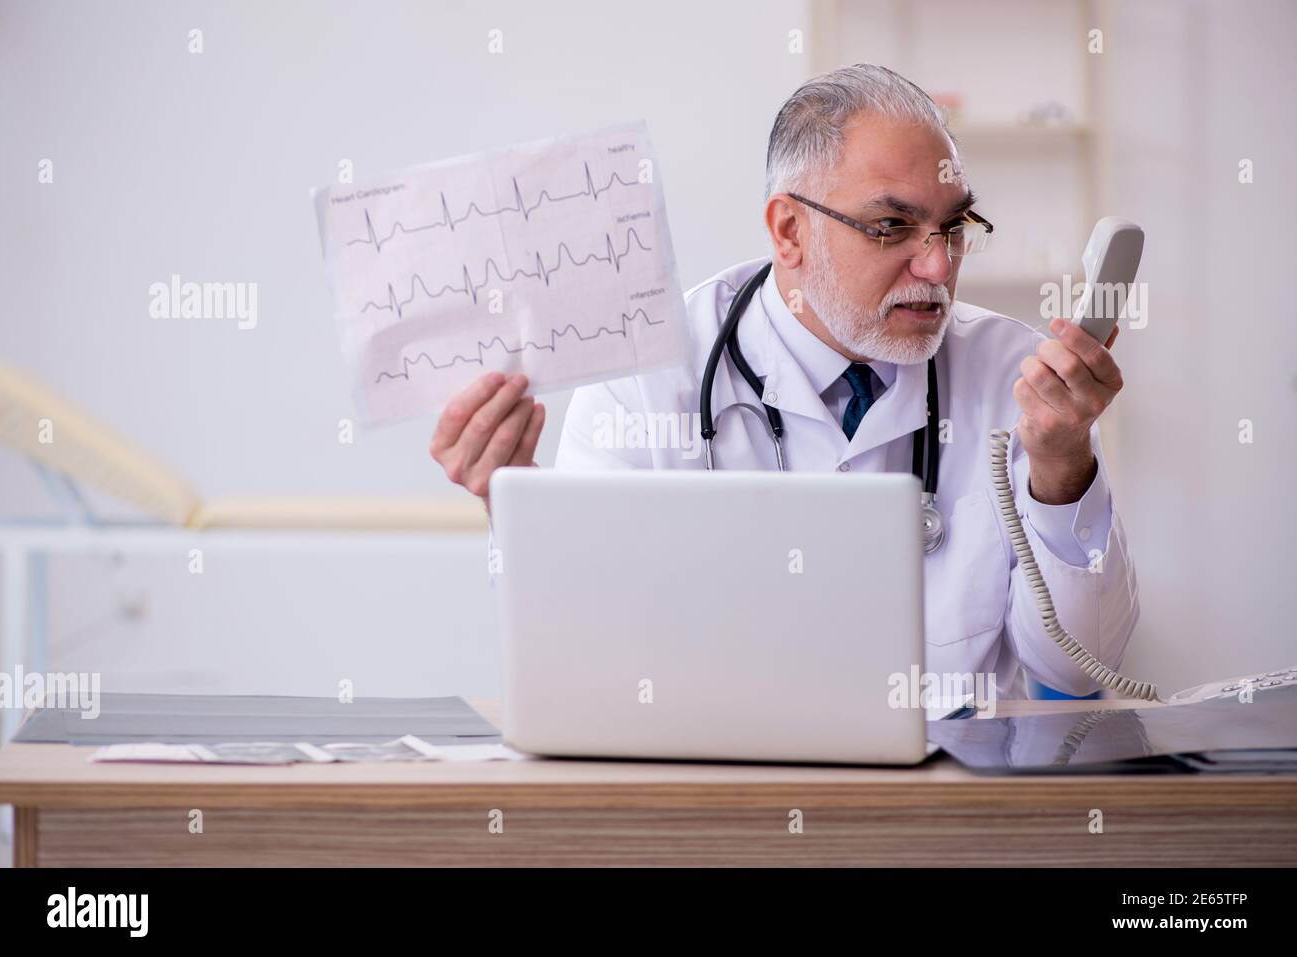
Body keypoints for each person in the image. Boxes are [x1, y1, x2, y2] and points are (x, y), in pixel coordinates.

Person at [429, 64, 1137, 698]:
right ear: (789, 231)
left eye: (953, 228)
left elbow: (1078, 666)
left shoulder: (1014, 383)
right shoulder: (646, 382)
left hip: (941, 817)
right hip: (718, 806)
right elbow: (579, 662)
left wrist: (1062, 466)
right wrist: (513, 501)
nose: (937, 265)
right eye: (893, 225)